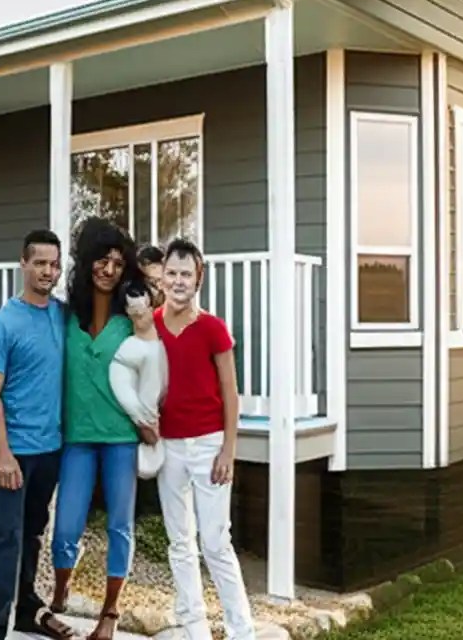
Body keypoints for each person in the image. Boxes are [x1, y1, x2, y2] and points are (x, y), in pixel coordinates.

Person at [49, 218, 153, 640]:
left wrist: (149, 418)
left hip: (120, 439)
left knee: (120, 526)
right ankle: (58, 593)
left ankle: (109, 613)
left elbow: (154, 369)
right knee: (67, 525)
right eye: (101, 260)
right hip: (77, 437)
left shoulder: (131, 320)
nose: (108, 269)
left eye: (117, 262)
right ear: (87, 261)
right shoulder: (65, 315)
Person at [0, 229, 76, 640]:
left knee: (32, 533)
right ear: (23, 265)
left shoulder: (61, 316)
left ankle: (26, 610)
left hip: (50, 449)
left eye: (54, 264)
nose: (49, 271)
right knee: (3, 541)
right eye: (40, 263)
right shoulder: (2, 324)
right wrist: (4, 454)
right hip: (12, 453)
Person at [154, 238, 256, 640]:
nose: (178, 281)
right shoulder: (152, 326)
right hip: (169, 448)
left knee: (215, 541)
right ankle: (194, 628)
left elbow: (230, 392)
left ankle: (241, 630)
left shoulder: (213, 328)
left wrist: (229, 449)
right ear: (161, 277)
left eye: (186, 274)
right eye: (172, 273)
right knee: (180, 541)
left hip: (210, 445)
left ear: (199, 279)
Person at [108, 281, 168, 480]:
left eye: (144, 308)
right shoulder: (129, 349)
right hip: (151, 426)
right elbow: (124, 390)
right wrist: (146, 423)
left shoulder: (166, 344)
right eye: (133, 310)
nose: (140, 314)